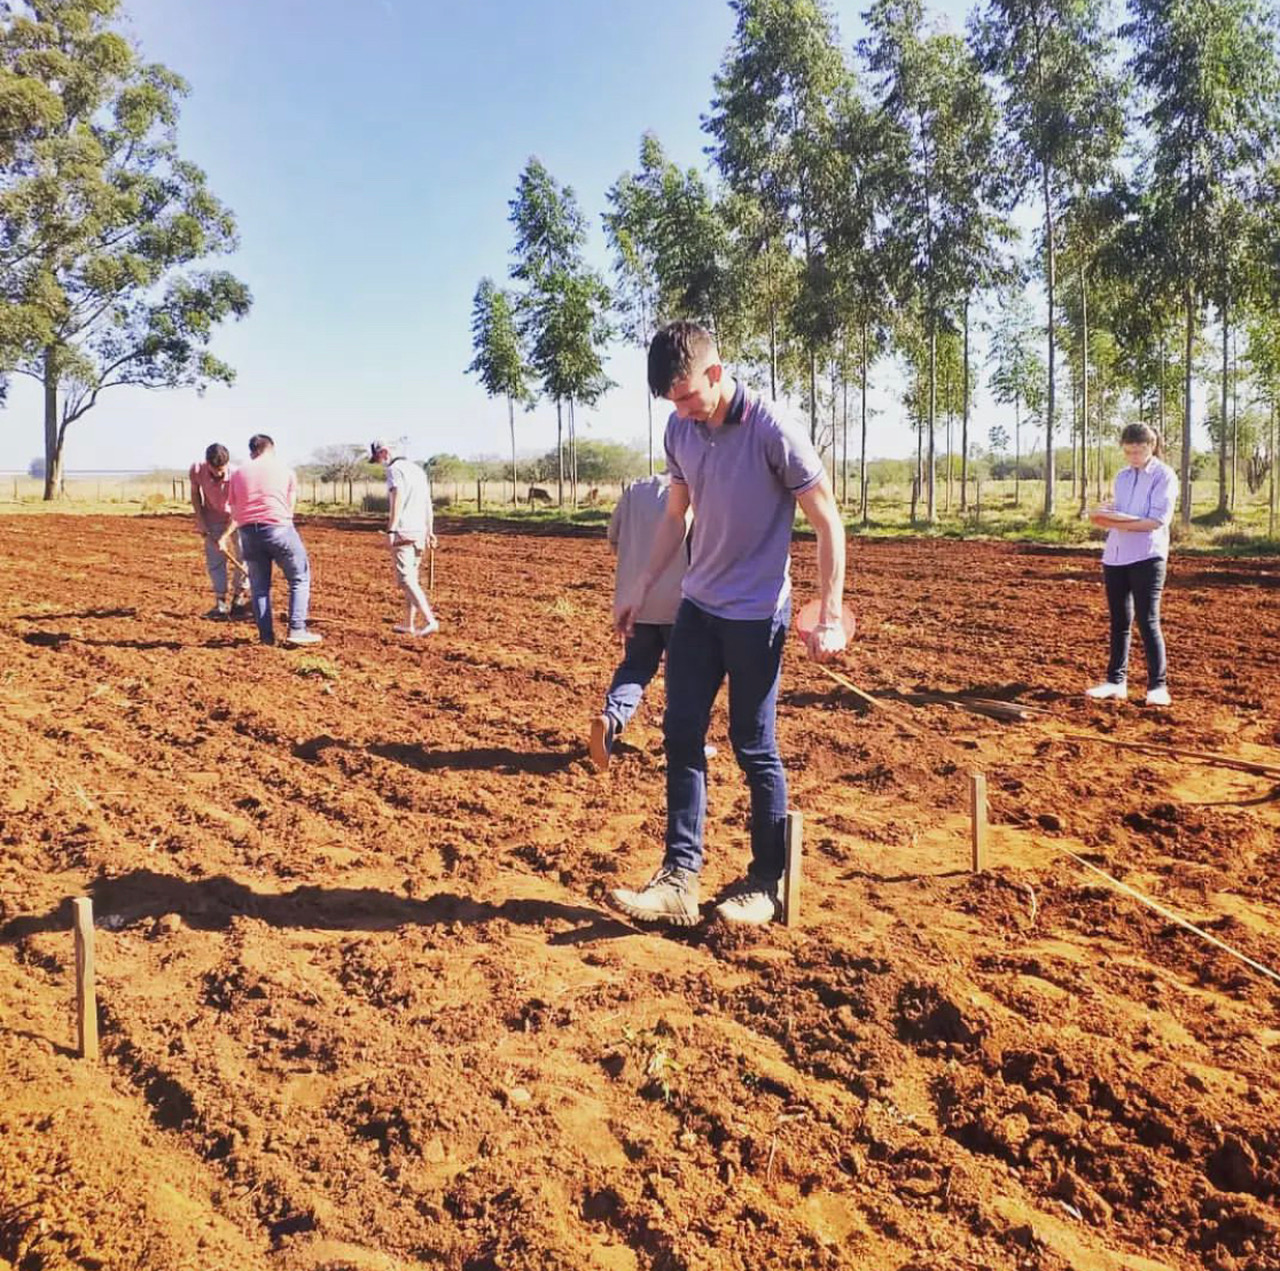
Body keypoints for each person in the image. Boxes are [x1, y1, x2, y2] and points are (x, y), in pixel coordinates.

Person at [608, 320, 848, 928]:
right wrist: (639, 585)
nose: (681, 411)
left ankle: (766, 882)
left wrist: (831, 612)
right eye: (671, 402)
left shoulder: (774, 430)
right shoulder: (679, 430)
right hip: (697, 608)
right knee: (680, 735)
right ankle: (679, 878)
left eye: (688, 396)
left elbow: (827, 523)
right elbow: (674, 518)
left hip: (756, 616)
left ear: (715, 373)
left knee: (752, 744)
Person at [589, 473, 690, 771]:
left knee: (635, 666)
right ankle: (680, 742)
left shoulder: (635, 488)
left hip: (636, 601)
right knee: (684, 675)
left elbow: (614, 537)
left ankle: (612, 718)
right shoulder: (694, 486)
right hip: (681, 602)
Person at [1086, 422, 1178, 706]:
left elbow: (1156, 520)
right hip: (1115, 555)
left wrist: (1121, 521)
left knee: (1147, 620)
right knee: (1119, 621)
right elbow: (1123, 510)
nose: (1134, 456)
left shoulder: (1164, 475)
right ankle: (1116, 682)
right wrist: (1106, 512)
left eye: (1139, 450)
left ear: (1151, 447)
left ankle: (1157, 687)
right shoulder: (1122, 476)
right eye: (1128, 451)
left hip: (1147, 555)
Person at [223, 434, 322, 647]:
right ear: (271, 448)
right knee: (299, 578)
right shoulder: (285, 470)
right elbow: (290, 507)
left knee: (259, 588)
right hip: (278, 528)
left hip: (248, 532)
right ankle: (297, 629)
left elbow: (234, 508)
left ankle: (266, 638)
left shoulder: (238, 473)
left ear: (252, 451)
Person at [371, 439, 439, 636]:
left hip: (404, 530)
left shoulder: (394, 470)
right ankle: (407, 624)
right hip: (419, 531)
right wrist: (430, 530)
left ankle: (430, 620)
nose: (379, 462)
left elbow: (397, 499)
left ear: (384, 453)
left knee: (405, 579)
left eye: (378, 458)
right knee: (413, 579)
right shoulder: (418, 471)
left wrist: (391, 529)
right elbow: (428, 503)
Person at [189, 443, 249, 618]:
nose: (219, 475)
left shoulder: (239, 475)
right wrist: (200, 520)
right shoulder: (196, 469)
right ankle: (221, 603)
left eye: (222, 471)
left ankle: (239, 598)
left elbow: (239, 510)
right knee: (215, 559)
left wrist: (224, 537)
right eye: (215, 471)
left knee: (244, 554)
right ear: (207, 464)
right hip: (211, 517)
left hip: (236, 518)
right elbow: (195, 493)